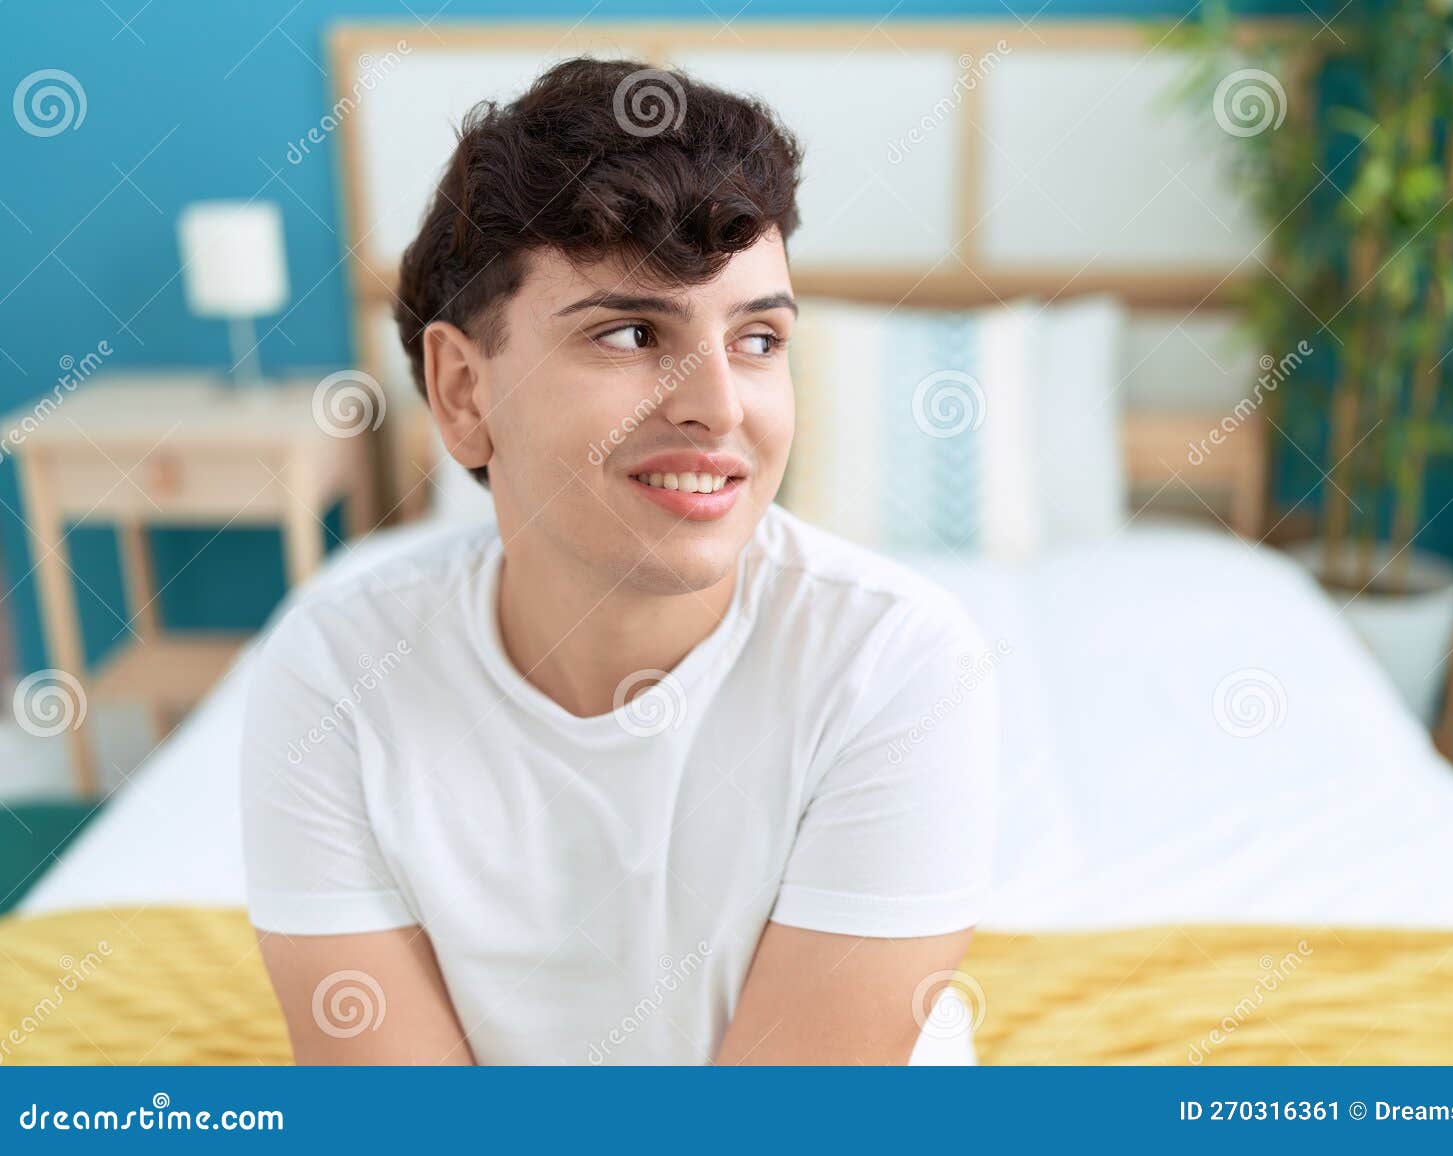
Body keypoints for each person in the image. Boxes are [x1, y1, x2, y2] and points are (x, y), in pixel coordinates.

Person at [242, 56, 996, 1064]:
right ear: (463, 391)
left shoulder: (895, 662)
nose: (719, 407)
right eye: (634, 332)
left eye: (759, 339)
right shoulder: (336, 670)